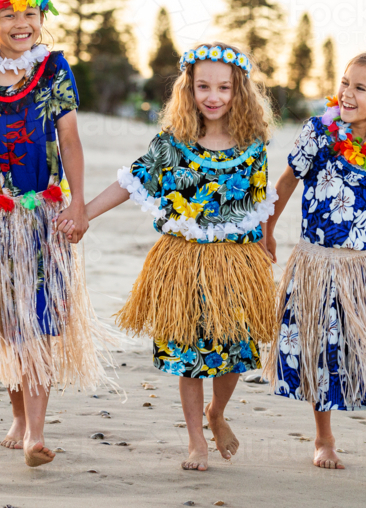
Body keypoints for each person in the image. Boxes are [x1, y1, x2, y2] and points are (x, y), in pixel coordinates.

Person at [85, 42, 277, 472]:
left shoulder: (253, 145)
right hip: (182, 264)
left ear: (239, 91)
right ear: (188, 89)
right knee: (187, 354)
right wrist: (84, 213)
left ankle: (217, 412)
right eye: (203, 86)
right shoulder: (171, 143)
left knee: (235, 350)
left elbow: (260, 202)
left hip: (235, 263)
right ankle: (196, 441)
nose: (213, 96)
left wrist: (266, 245)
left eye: (224, 88)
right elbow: (131, 181)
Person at [0, 0, 110, 467]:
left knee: (38, 317)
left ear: (42, 17)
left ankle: (34, 436)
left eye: (29, 14)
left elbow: (70, 140)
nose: (21, 24)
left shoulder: (54, 69)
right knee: (7, 322)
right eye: (9, 15)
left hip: (43, 213)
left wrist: (78, 203)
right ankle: (18, 414)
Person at [263, 52, 366, 486]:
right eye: (345, 83)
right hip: (316, 262)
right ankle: (324, 439)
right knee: (321, 351)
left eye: (361, 87)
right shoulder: (319, 132)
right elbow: (286, 182)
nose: (347, 94)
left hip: (363, 267)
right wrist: (268, 230)